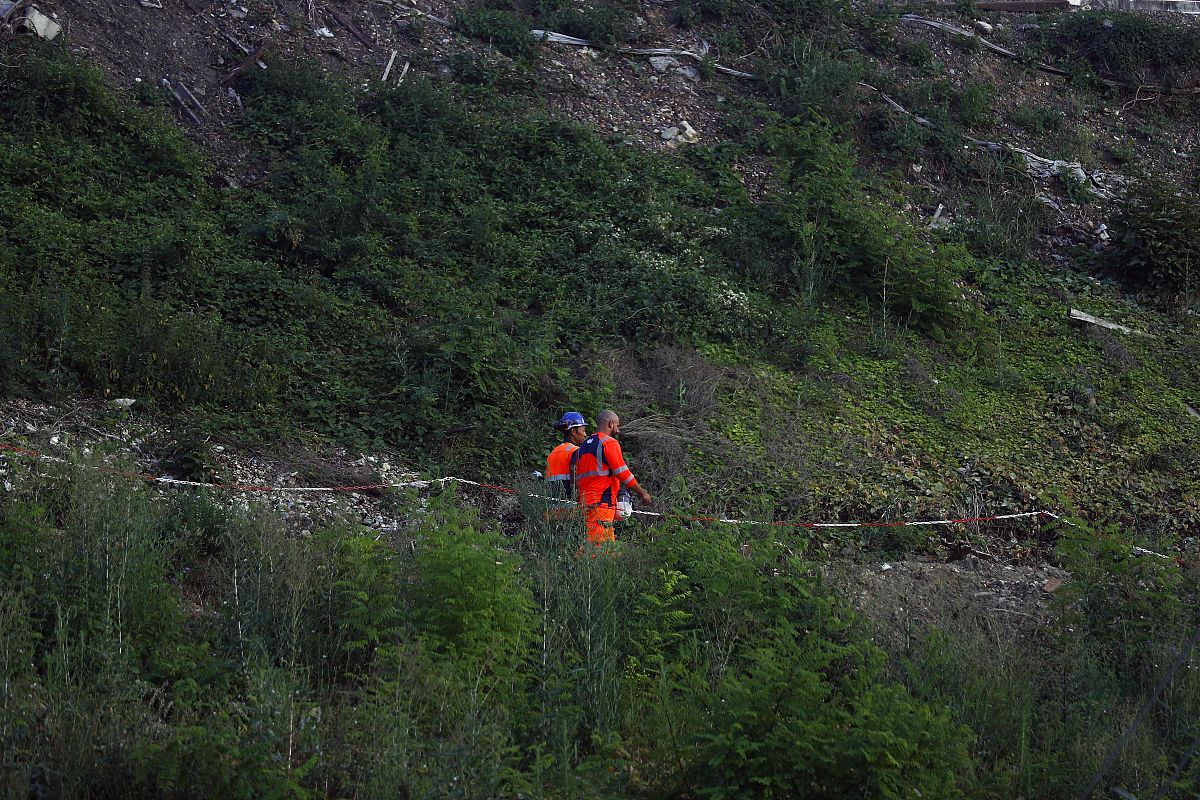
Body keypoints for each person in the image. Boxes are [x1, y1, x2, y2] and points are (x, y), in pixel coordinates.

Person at [570, 409, 652, 546]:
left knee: (597, 544)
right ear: (611, 424)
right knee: (599, 548)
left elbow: (576, 478)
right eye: (617, 426)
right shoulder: (609, 443)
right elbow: (623, 473)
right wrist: (642, 492)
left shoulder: (583, 446)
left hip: (585, 503)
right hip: (602, 504)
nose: (618, 430)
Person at [545, 411, 588, 499]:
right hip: (570, 508)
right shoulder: (577, 451)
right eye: (583, 430)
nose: (585, 434)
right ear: (573, 431)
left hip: (552, 508)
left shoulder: (553, 453)